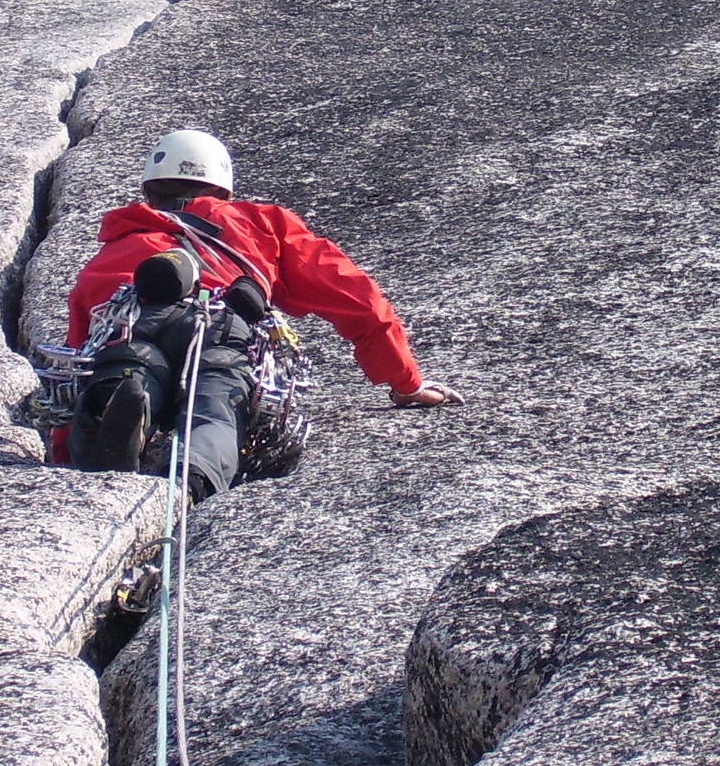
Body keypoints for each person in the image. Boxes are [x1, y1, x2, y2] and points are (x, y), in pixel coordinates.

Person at [63, 128, 462, 499]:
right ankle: (190, 479)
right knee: (216, 404)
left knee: (124, 368)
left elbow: (78, 348)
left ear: (149, 192)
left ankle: (112, 410)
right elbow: (357, 297)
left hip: (133, 319)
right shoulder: (261, 222)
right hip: (219, 322)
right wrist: (405, 381)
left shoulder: (123, 240)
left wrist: (59, 448)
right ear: (223, 187)